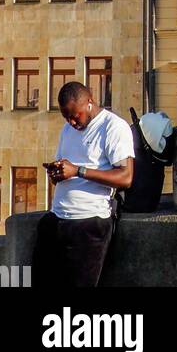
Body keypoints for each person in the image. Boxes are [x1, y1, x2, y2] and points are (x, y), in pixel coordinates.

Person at [32, 81, 135, 289]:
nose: (71, 122)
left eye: (75, 115)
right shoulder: (67, 130)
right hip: (57, 218)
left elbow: (126, 177)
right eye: (66, 117)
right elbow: (68, 167)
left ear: (89, 102)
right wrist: (57, 173)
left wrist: (78, 171)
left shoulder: (113, 127)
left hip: (88, 223)